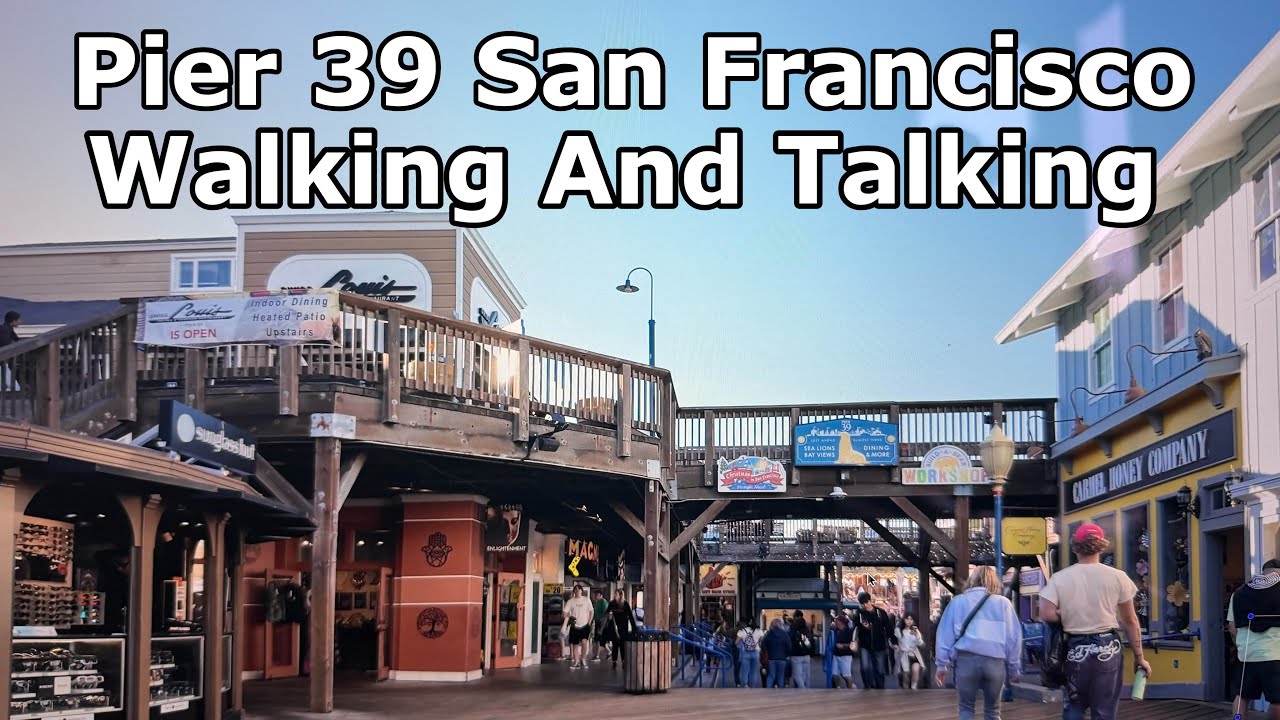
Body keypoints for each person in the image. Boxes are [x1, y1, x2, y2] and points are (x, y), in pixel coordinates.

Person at [1040, 524, 1152, 720]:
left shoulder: (1060, 578)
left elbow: (1046, 613)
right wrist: (1139, 657)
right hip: (1108, 648)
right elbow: (1130, 620)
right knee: (1104, 710)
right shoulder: (1118, 577)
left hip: (1075, 649)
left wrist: (1066, 615)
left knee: (1074, 705)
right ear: (1101, 547)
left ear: (1075, 548)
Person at [935, 567, 1023, 720]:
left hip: (966, 660)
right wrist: (1014, 668)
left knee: (966, 708)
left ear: (972, 580)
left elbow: (944, 635)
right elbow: (1013, 638)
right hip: (995, 662)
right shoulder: (1004, 603)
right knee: (993, 711)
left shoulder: (957, 602)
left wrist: (942, 665)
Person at [1229, 558, 1280, 720]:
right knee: (1277, 700)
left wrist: (1242, 645)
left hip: (1246, 654)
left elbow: (1231, 625)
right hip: (1274, 653)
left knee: (1242, 695)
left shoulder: (1239, 593)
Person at [857, 591, 892, 689]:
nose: (865, 605)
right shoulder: (860, 613)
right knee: (865, 667)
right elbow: (856, 627)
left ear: (870, 601)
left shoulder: (880, 613)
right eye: (863, 603)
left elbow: (888, 627)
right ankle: (868, 686)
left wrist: (893, 640)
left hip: (879, 644)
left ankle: (880, 687)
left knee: (880, 669)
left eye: (866, 602)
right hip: (864, 644)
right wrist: (862, 627)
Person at [602, 589, 636, 669]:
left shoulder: (625, 604)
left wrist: (634, 628)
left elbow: (630, 616)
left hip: (623, 627)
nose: (614, 596)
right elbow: (607, 613)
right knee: (615, 644)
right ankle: (614, 660)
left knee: (622, 644)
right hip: (614, 627)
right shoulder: (611, 603)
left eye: (616, 594)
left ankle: (624, 661)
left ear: (621, 595)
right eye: (614, 594)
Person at [562, 585, 595, 670]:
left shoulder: (586, 600)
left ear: (581, 591)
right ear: (573, 591)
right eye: (575, 590)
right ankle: (576, 662)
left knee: (584, 643)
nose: (577, 591)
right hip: (574, 625)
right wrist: (568, 619)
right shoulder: (570, 601)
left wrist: (589, 622)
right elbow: (564, 612)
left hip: (584, 625)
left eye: (578, 589)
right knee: (575, 644)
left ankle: (583, 658)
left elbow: (591, 611)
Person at [825, 612, 857, 688]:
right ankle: (838, 687)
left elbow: (853, 644)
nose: (835, 622)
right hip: (836, 654)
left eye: (837, 621)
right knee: (835, 674)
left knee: (846, 674)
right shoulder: (835, 630)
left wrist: (843, 645)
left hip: (845, 655)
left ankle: (850, 687)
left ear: (841, 622)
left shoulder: (848, 631)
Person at [897, 615, 925, 689]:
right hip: (903, 655)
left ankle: (913, 688)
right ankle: (905, 691)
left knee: (915, 669)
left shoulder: (915, 630)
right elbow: (893, 641)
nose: (909, 621)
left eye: (911, 619)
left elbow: (920, 643)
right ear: (904, 620)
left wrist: (916, 636)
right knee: (905, 676)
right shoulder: (899, 630)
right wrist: (895, 646)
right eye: (907, 619)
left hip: (914, 654)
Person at [762, 619, 791, 688]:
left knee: (771, 675)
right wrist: (786, 654)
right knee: (780, 676)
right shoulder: (785, 634)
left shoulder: (769, 634)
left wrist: (768, 652)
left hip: (771, 657)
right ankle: (780, 691)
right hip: (782, 658)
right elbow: (789, 646)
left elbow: (763, 644)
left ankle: (768, 689)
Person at [789, 610, 814, 688]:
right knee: (805, 674)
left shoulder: (793, 629)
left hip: (796, 654)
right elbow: (811, 641)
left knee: (797, 675)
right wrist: (812, 653)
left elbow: (790, 640)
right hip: (806, 654)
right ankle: (806, 687)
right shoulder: (807, 629)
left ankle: (802, 689)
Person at [736, 619, 764, 688]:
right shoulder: (759, 631)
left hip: (745, 652)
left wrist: (742, 644)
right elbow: (762, 642)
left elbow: (736, 642)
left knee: (745, 670)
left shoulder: (742, 631)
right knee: (754, 671)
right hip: (756, 652)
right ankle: (753, 686)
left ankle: (746, 684)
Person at [591, 589, 608, 661]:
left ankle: (597, 656)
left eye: (596, 595)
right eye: (595, 595)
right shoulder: (596, 602)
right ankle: (609, 652)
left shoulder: (603, 602)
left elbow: (605, 614)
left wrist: (602, 626)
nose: (595, 596)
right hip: (597, 622)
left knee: (598, 639)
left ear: (601, 595)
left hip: (602, 623)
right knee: (599, 640)